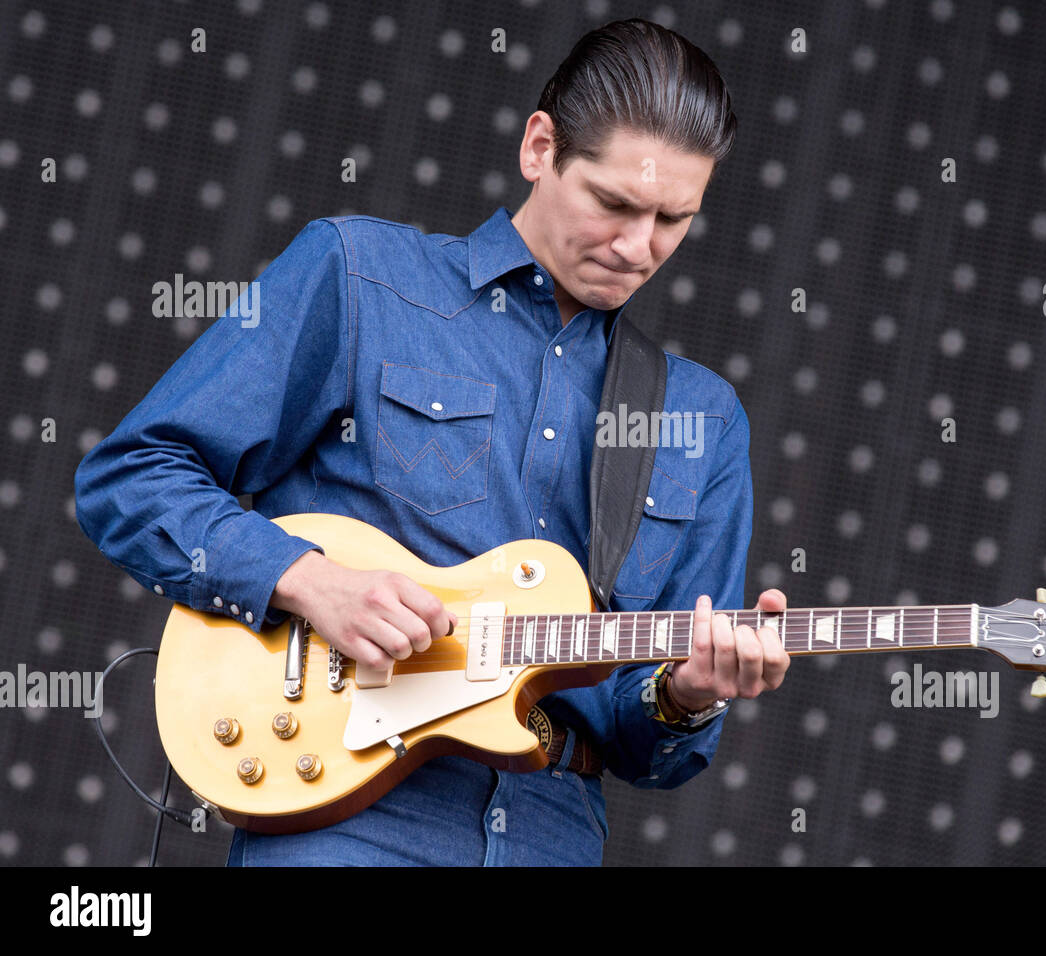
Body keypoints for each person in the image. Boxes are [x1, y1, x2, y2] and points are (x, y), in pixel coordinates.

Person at [74, 17, 789, 866]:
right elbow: (129, 476)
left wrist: (689, 696)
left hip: (551, 834)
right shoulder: (362, 277)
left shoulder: (701, 420)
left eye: (674, 219)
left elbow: (649, 747)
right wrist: (310, 583)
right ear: (539, 146)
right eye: (614, 203)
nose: (639, 247)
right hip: (347, 829)